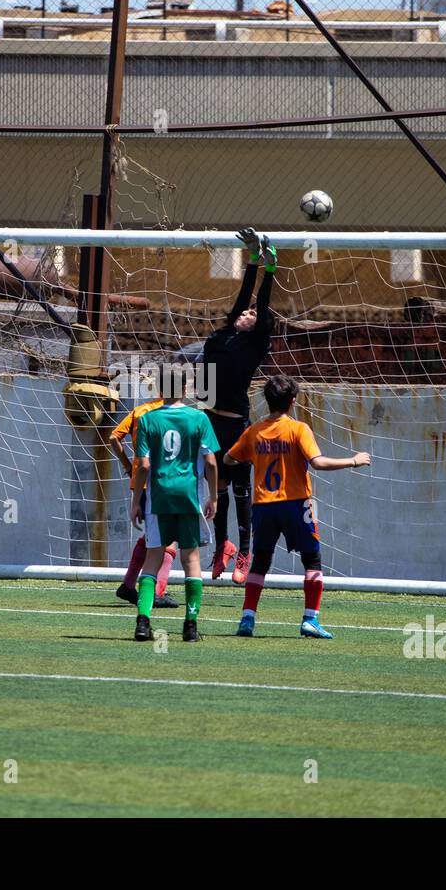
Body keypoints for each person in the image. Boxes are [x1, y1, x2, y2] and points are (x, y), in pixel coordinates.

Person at [224, 375, 370, 639]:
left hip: (263, 505)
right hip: (297, 503)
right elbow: (318, 462)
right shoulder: (298, 429)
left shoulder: (254, 431)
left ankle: (247, 618)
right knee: (312, 558)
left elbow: (229, 458)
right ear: (292, 401)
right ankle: (310, 620)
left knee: (262, 561)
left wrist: (254, 457)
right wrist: (354, 460)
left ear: (266, 401)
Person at [202, 226, 279, 585]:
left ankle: (244, 552)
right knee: (215, 491)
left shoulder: (254, 344)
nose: (244, 312)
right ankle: (222, 547)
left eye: (250, 314)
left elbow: (260, 303)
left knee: (240, 492)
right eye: (242, 311)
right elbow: (243, 296)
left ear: (259, 325)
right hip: (208, 420)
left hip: (235, 426)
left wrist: (271, 269)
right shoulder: (224, 334)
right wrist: (251, 259)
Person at [130, 364, 218, 643]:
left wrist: (136, 501)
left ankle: (143, 622)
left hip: (159, 498)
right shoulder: (199, 418)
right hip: (188, 497)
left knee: (152, 559)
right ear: (185, 389)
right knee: (191, 559)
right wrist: (213, 496)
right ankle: (190, 626)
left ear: (157, 390)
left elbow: (143, 465)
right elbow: (212, 462)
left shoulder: (147, 420)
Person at [108, 392, 178, 609]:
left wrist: (128, 466)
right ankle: (157, 591)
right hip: (163, 482)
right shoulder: (174, 413)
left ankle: (128, 585)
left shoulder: (139, 411)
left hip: (141, 482)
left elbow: (113, 437)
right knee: (169, 537)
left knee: (152, 536)